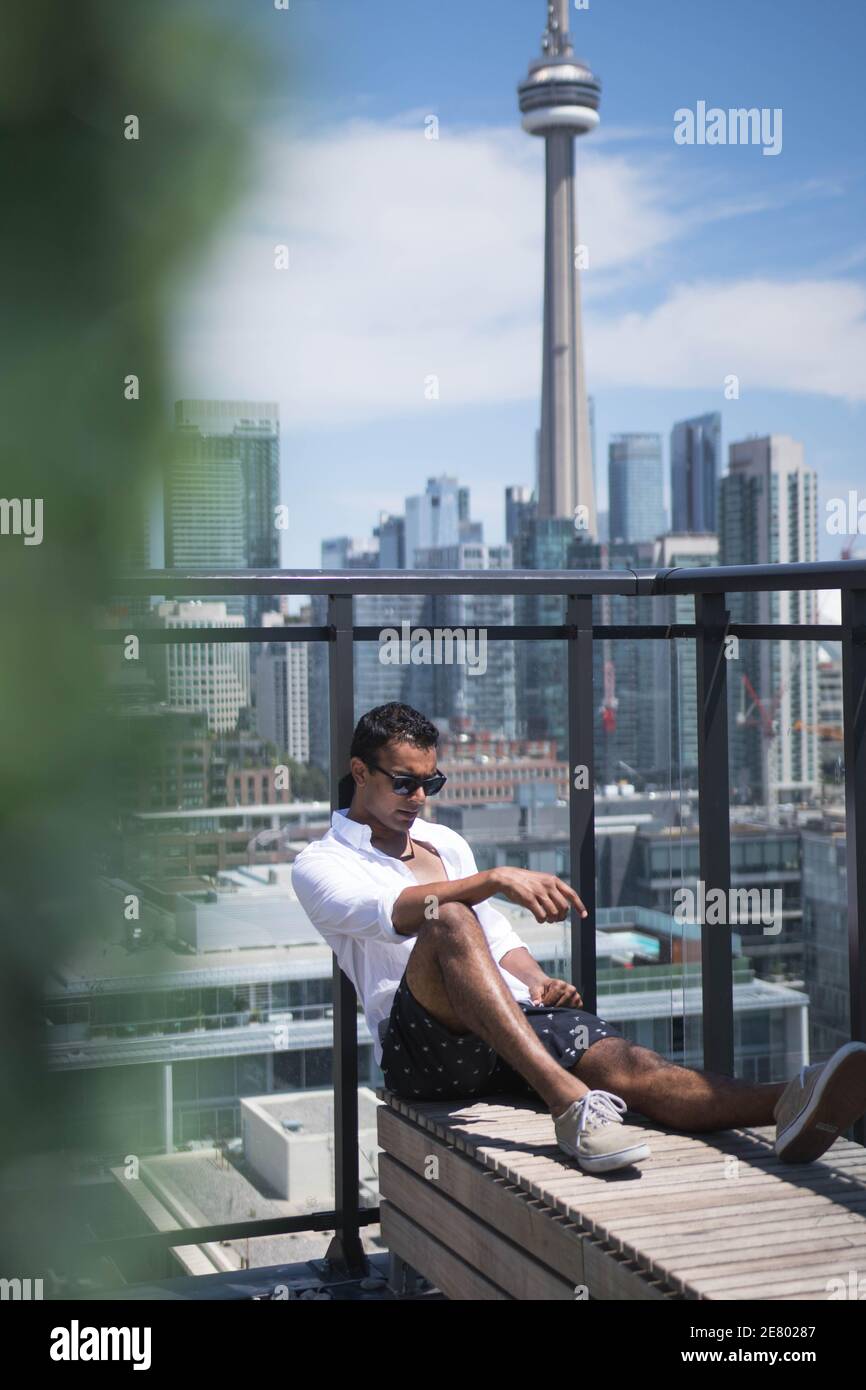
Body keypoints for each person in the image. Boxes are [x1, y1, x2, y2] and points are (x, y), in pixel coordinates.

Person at [292, 702, 866, 1175]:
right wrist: (492, 878)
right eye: (403, 782)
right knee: (447, 915)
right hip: (421, 1050)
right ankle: (569, 1104)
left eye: (429, 782)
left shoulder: (444, 843)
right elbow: (388, 913)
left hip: (507, 1022)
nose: (417, 798)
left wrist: (539, 982)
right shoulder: (322, 863)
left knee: (630, 1065)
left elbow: (495, 937)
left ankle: (791, 1102)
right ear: (360, 772)